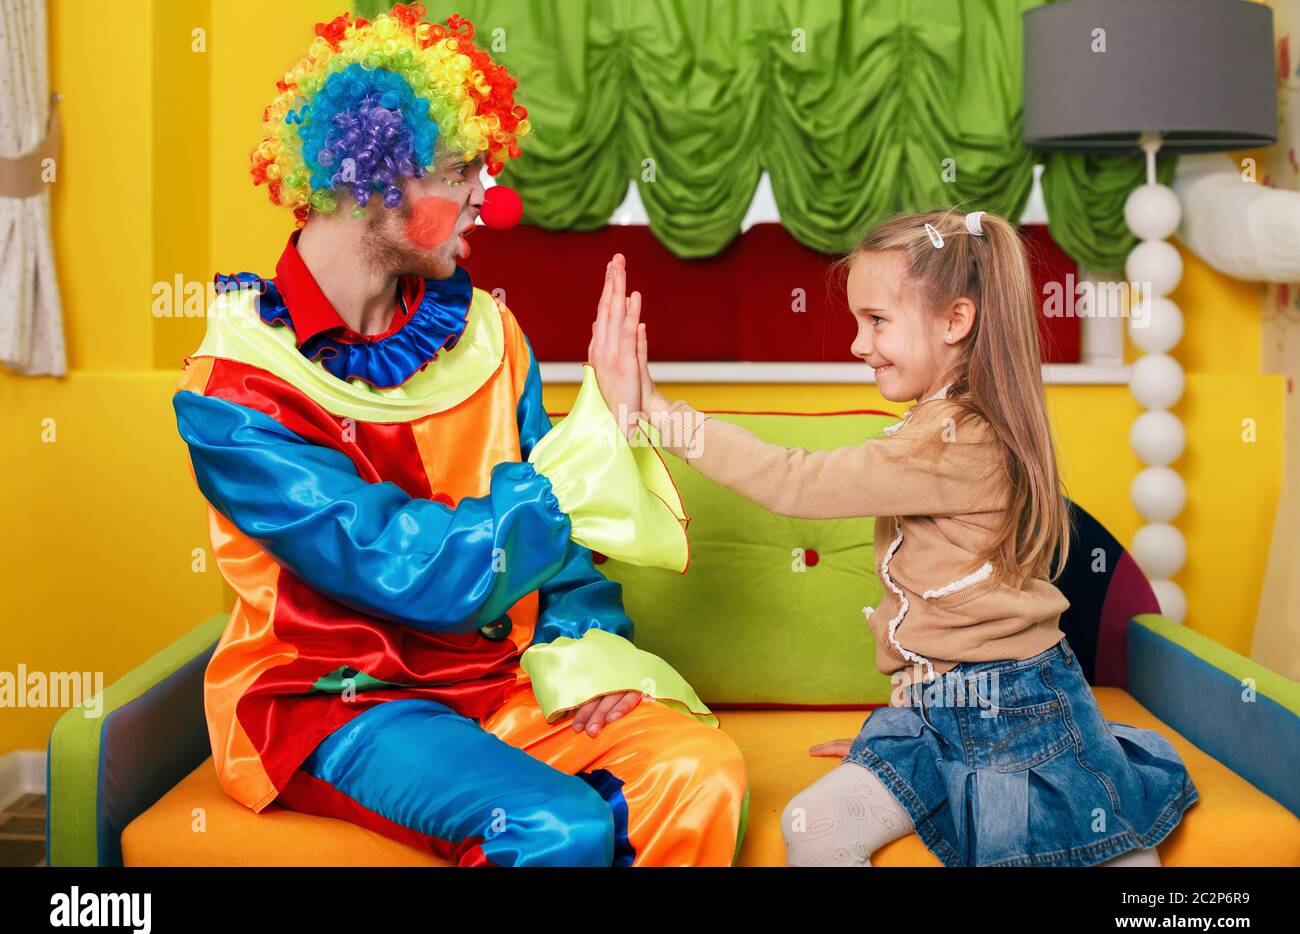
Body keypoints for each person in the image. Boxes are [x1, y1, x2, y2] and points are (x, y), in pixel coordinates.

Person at [172, 4, 747, 867]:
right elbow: (397, 562)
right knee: (557, 825)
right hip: (337, 697)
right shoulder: (235, 388)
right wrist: (591, 447)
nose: (489, 195)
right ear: (373, 179)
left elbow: (569, 552)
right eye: (459, 171)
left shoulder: (486, 335)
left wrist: (578, 651)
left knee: (701, 773)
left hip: (495, 679)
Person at [587, 209, 1199, 867]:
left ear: (955, 322)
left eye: (877, 321)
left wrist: (652, 411)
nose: (858, 343)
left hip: (1014, 714)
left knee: (1085, 846)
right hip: (938, 712)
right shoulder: (931, 427)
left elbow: (796, 482)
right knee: (814, 827)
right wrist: (905, 727)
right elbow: (929, 617)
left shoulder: (958, 441)